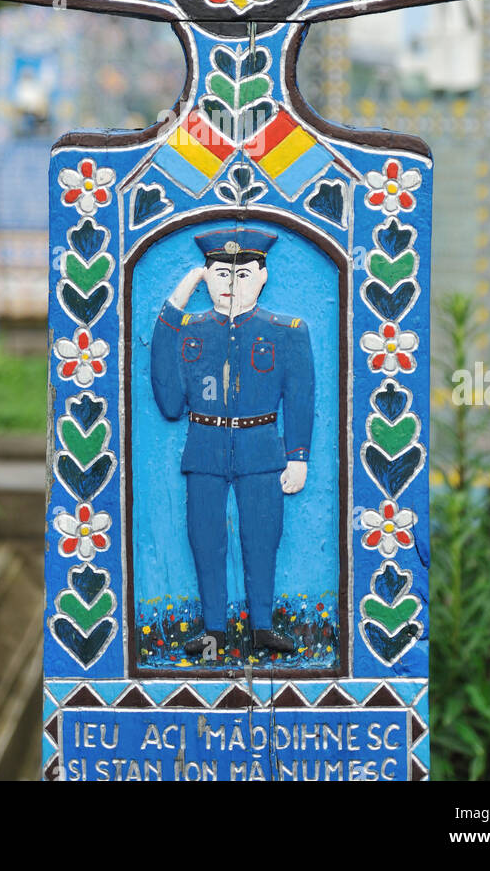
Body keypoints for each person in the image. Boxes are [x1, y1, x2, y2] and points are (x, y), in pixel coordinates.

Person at [150, 227, 314, 658]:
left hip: (261, 448)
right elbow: (169, 402)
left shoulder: (287, 332)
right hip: (204, 446)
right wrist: (178, 299)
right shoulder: (190, 331)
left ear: (263, 276)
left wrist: (298, 458)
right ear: (206, 276)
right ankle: (214, 632)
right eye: (219, 274)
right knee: (205, 538)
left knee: (261, 537)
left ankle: (262, 627)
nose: (229, 285)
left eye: (242, 275)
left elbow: (299, 396)